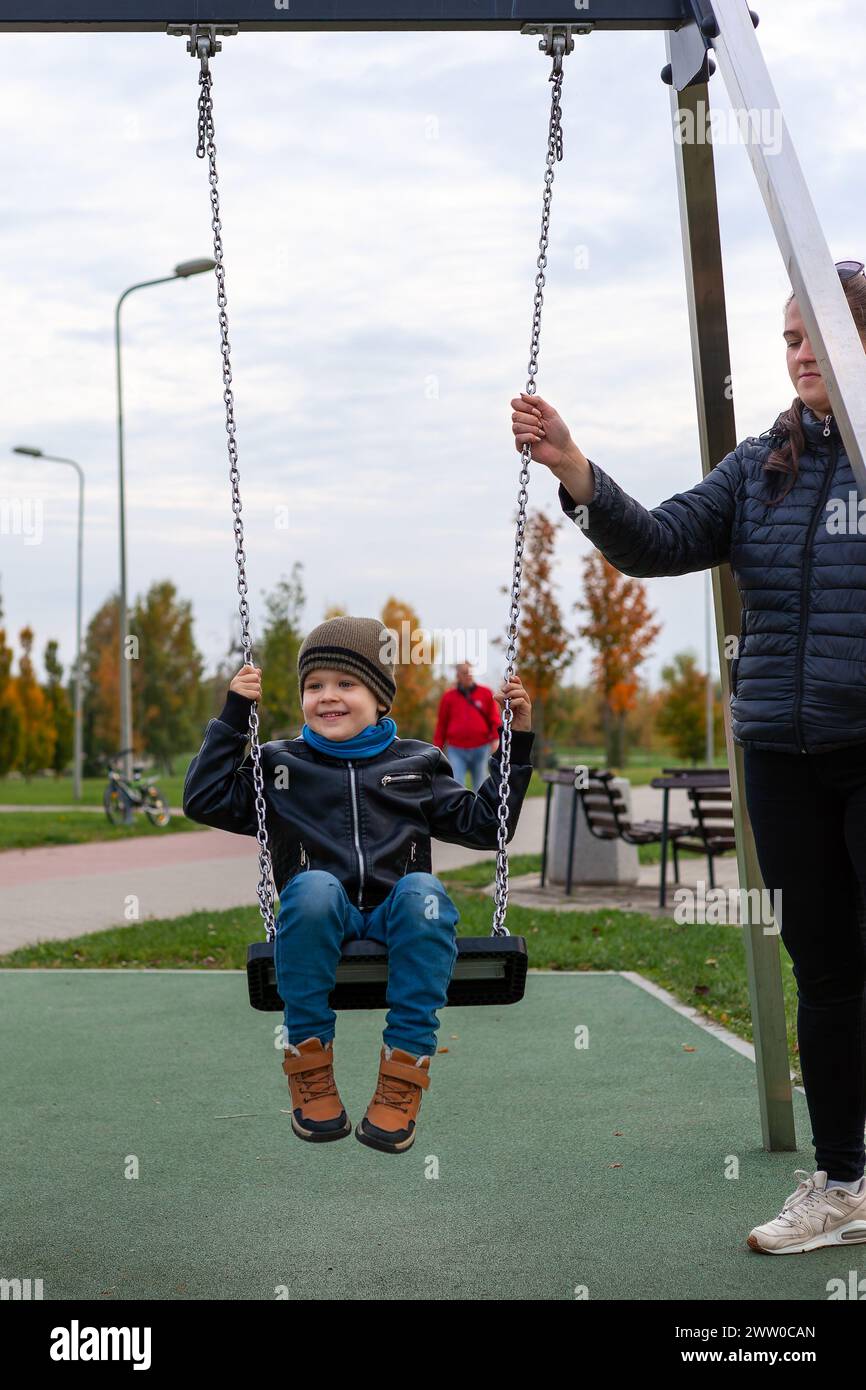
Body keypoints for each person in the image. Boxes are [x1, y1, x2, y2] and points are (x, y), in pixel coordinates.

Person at [510, 259, 866, 1255]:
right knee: (826, 971)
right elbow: (656, 539)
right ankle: (842, 1181)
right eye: (788, 334)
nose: (799, 350)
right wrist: (574, 467)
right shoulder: (762, 466)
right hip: (780, 754)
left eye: (819, 332)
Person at [183, 615, 533, 1155]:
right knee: (313, 887)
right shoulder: (280, 766)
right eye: (314, 686)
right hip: (324, 919)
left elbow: (490, 824)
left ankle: (402, 1076)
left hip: (398, 916)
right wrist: (234, 715)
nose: (328, 697)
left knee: (423, 893)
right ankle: (309, 1068)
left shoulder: (418, 763)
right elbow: (203, 799)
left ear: (380, 696)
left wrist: (516, 739)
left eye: (346, 684)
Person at [433, 661, 502, 792]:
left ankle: (480, 812)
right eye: (464, 673)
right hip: (456, 749)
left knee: (480, 785)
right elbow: (442, 725)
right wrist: (437, 748)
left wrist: (495, 738)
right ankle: (460, 812)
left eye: (470, 672)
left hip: (481, 748)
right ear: (457, 676)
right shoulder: (448, 697)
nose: (468, 675)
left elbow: (494, 718)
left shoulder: (486, 693)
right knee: (456, 785)